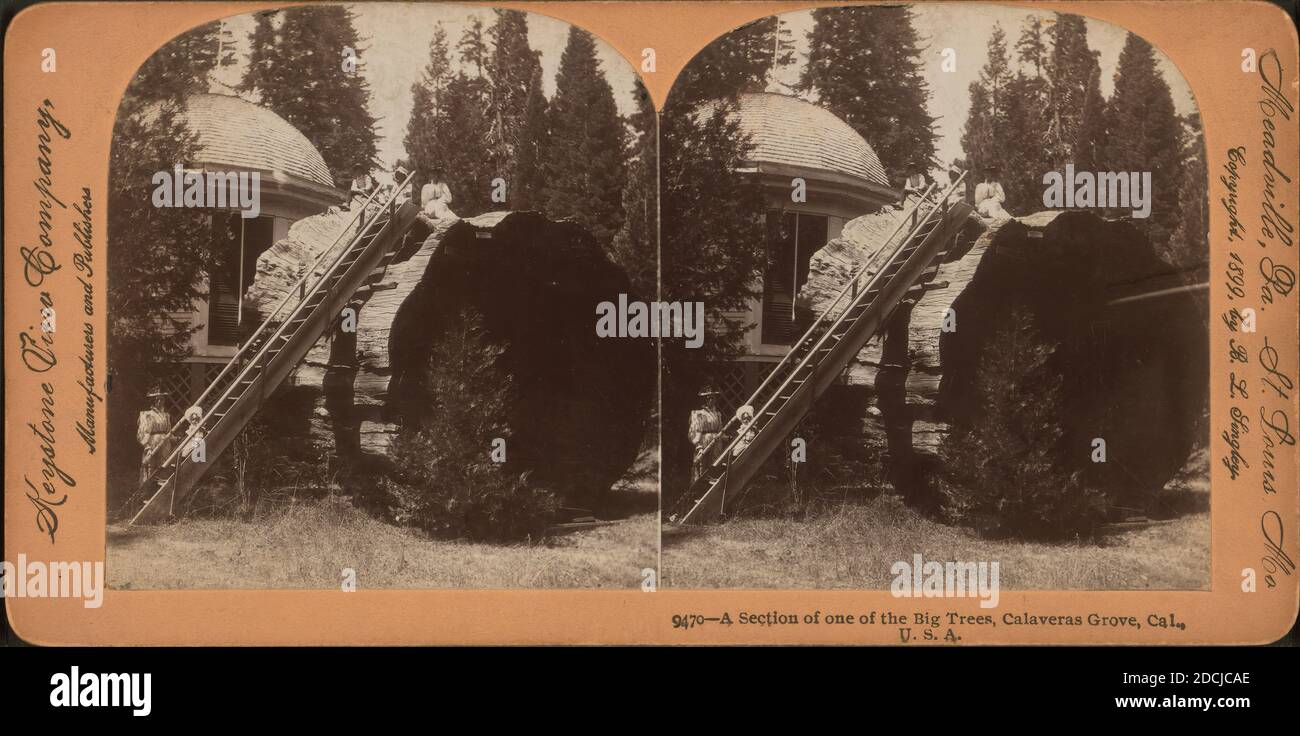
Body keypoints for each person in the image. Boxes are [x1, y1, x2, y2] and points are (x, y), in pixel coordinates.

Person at [137, 389, 173, 484]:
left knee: (164, 464)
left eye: (162, 399)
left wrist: (174, 438)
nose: (160, 402)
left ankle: (161, 487)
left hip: (165, 443)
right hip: (153, 442)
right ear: (153, 401)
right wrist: (147, 447)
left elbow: (168, 432)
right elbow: (143, 433)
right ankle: (148, 488)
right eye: (157, 400)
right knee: (151, 465)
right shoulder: (148, 415)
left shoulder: (166, 415)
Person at [688, 390, 723, 481]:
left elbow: (720, 430)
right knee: (702, 464)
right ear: (704, 400)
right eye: (708, 398)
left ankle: (712, 479)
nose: (711, 400)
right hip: (704, 441)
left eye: (713, 398)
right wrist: (699, 446)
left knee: (715, 462)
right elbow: (694, 432)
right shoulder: (699, 414)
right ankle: (700, 484)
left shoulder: (717, 414)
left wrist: (725, 437)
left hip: (716, 441)